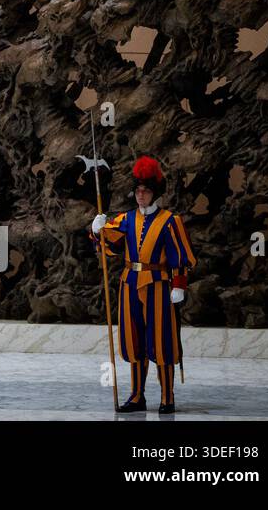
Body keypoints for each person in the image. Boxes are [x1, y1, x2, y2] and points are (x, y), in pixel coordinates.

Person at [90, 155, 197, 414]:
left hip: (158, 284)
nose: (140, 196)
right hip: (130, 283)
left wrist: (179, 284)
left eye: (145, 191)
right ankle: (137, 396)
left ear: (154, 193)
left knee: (161, 342)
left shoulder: (170, 221)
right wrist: (97, 229)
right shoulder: (126, 219)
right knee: (133, 342)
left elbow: (179, 254)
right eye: (137, 191)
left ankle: (167, 397)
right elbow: (111, 244)